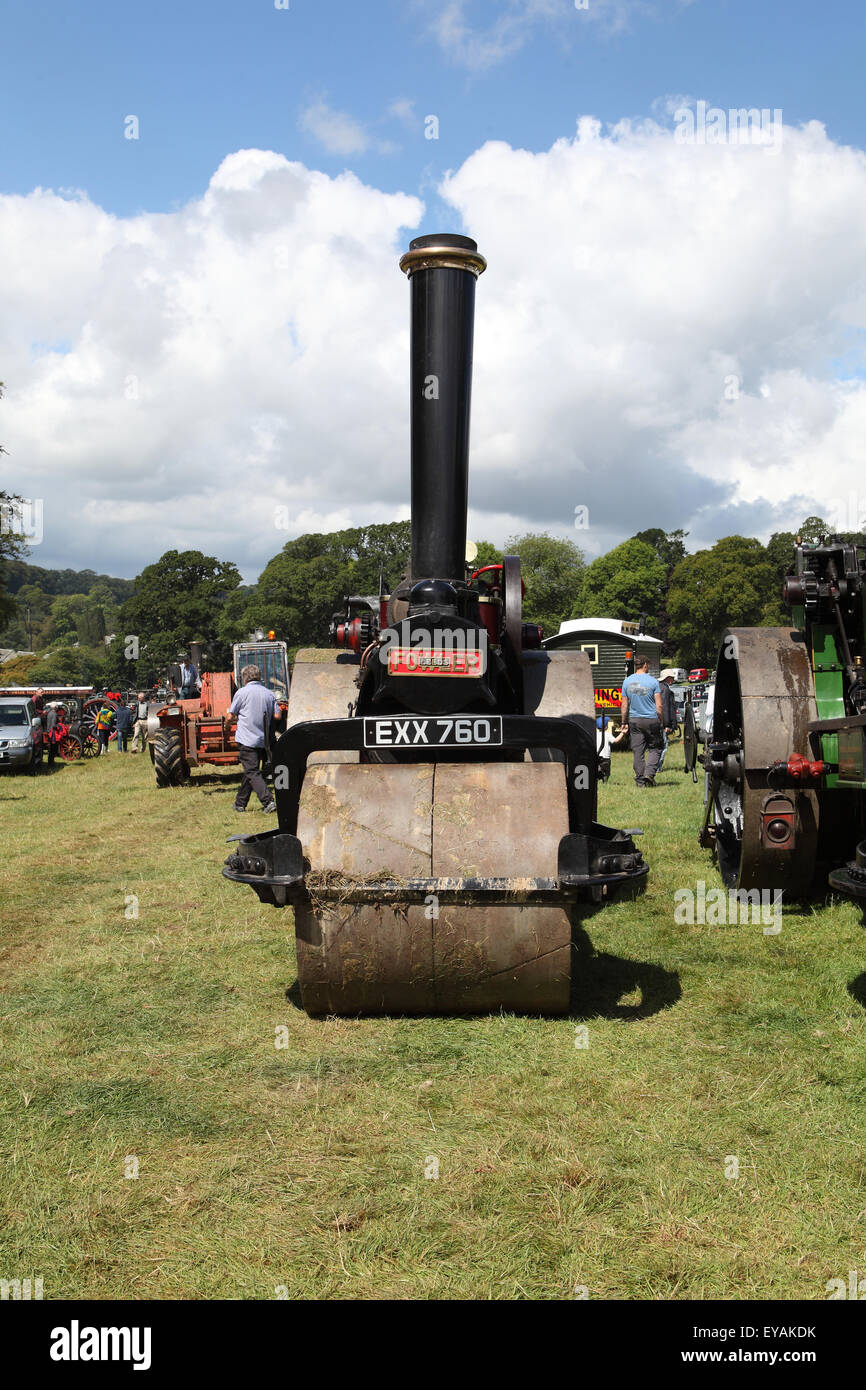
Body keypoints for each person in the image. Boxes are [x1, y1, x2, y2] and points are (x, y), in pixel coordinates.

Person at [228, 664, 277, 813]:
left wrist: (226, 723)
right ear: (259, 676)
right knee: (251, 771)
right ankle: (239, 804)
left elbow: (231, 715)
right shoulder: (269, 693)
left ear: (245, 678)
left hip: (246, 739)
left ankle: (268, 801)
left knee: (251, 772)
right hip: (263, 740)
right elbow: (278, 715)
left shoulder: (241, 693)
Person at [620, 657, 664, 787]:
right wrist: (661, 721)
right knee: (656, 747)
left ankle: (640, 781)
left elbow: (624, 705)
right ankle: (649, 774)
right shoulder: (653, 682)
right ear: (645, 665)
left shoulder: (627, 681)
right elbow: (659, 706)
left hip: (634, 721)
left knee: (638, 751)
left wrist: (624, 722)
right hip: (651, 720)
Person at [656, 669, 680, 772]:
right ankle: (657, 768)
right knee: (663, 746)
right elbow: (665, 707)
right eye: (672, 677)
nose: (673, 679)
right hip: (662, 723)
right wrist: (667, 724)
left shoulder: (658, 688)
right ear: (667, 678)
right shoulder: (665, 690)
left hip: (656, 721)